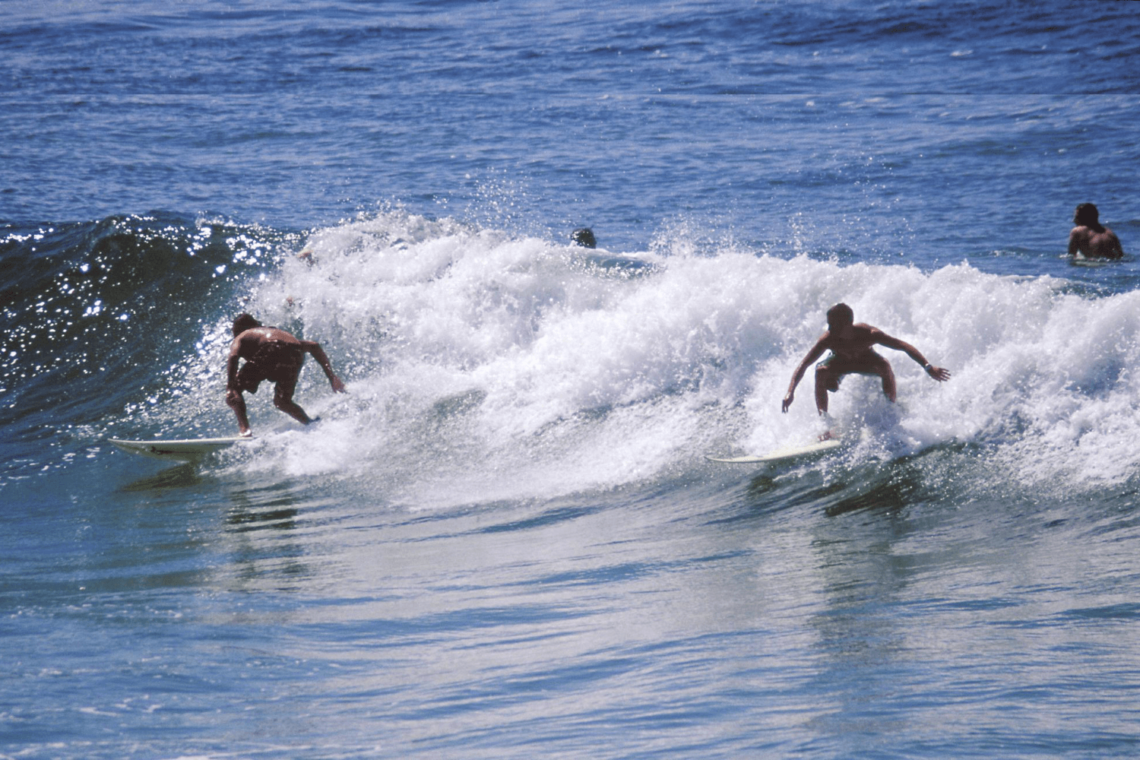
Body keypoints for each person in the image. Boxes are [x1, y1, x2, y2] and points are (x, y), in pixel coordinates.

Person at [782, 303, 950, 425]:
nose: (829, 329)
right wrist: (790, 392)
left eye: (833, 325)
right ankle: (825, 423)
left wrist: (928, 367)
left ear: (847, 324)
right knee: (821, 372)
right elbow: (804, 365)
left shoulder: (869, 334)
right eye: (829, 324)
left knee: (884, 366)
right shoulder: (828, 339)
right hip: (840, 363)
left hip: (866, 361)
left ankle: (891, 411)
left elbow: (903, 346)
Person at [225, 313, 347, 437]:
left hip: (271, 348)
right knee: (282, 401)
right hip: (295, 353)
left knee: (235, 390)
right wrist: (332, 377)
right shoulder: (272, 333)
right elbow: (314, 346)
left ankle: (245, 429)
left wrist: (230, 386)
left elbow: (233, 357)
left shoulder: (242, 336)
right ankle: (311, 424)